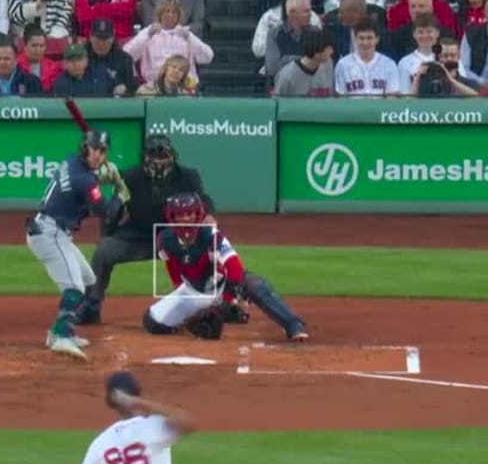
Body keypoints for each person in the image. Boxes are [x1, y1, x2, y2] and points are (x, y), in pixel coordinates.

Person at [78, 134, 211, 326]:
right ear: (145, 157)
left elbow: (204, 200)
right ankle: (91, 306)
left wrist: (208, 214)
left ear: (173, 156)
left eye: (164, 156)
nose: (159, 161)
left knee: (205, 251)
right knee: (104, 251)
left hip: (174, 238)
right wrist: (107, 234)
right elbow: (113, 211)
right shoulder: (130, 177)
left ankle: (209, 306)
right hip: (137, 236)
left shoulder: (188, 176)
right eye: (155, 156)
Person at [145, 192, 310, 342]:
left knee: (254, 284)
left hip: (222, 284)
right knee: (153, 323)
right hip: (193, 290)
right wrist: (180, 291)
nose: (186, 218)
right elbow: (172, 266)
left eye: (190, 213)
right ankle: (191, 319)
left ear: (198, 214)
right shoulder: (164, 239)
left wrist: (227, 300)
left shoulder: (211, 236)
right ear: (172, 217)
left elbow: (235, 267)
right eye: (181, 215)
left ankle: (293, 324)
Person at [26, 127, 126, 359]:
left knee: (89, 279)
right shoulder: (85, 180)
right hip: (49, 234)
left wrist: (100, 176)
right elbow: (107, 212)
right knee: (75, 288)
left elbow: (87, 180)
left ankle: (62, 333)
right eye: (94, 150)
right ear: (85, 148)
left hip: (53, 231)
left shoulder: (72, 161)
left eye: (103, 151)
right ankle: (61, 334)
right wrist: (120, 193)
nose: (98, 155)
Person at [335, 19, 399, 95]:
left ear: (377, 39)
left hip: (381, 107)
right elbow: (341, 97)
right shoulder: (343, 64)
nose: (365, 43)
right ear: (355, 39)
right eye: (361, 38)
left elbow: (392, 97)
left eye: (369, 38)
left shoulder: (389, 64)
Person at [273, 27, 337, 95]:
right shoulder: (286, 76)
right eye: (328, 49)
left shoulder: (328, 64)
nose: (332, 52)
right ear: (317, 53)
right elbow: (279, 103)